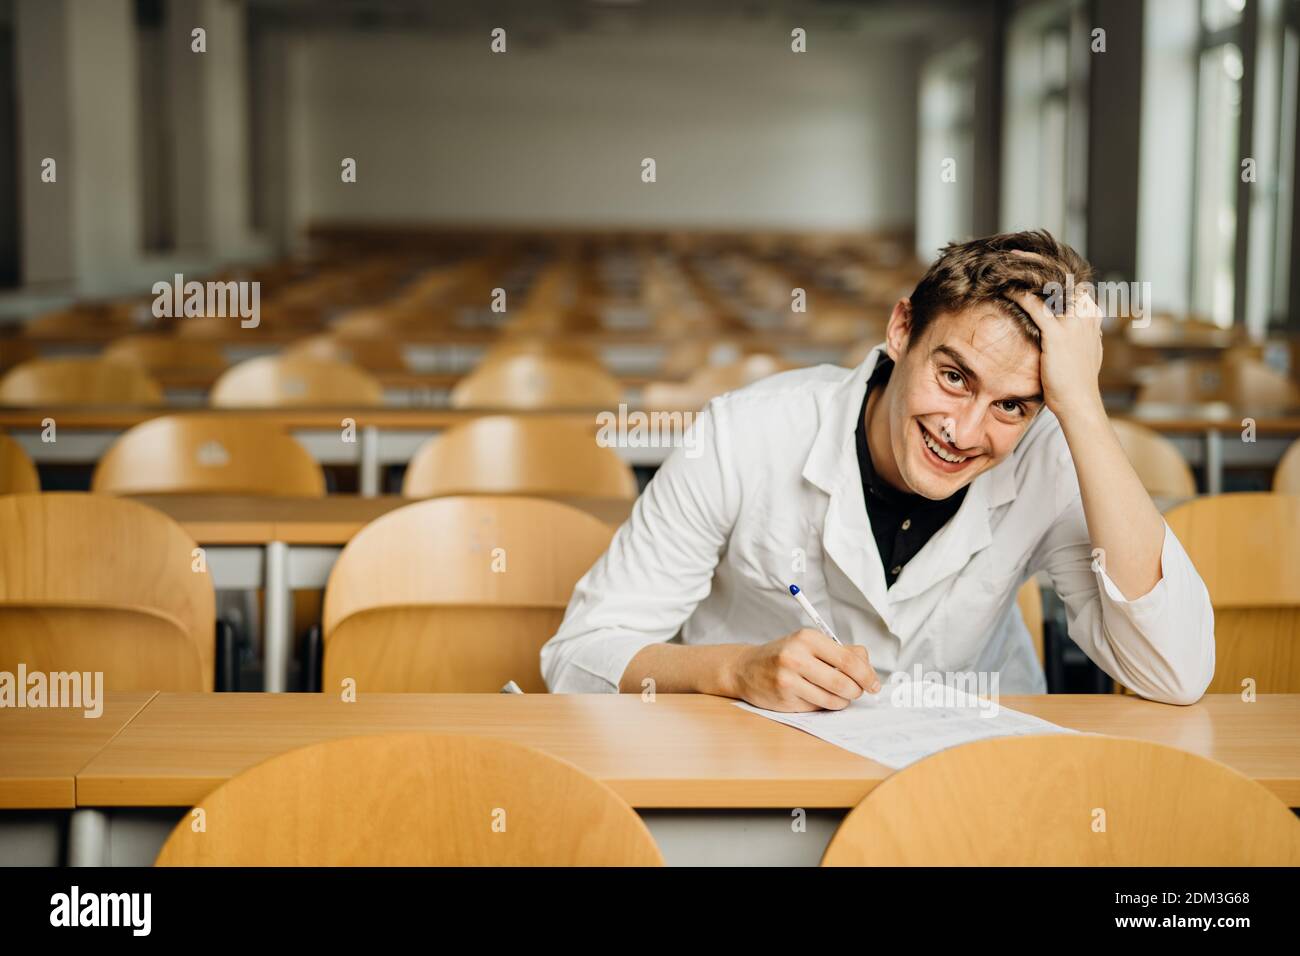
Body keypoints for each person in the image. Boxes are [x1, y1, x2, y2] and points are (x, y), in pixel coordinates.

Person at [541, 230, 1215, 711]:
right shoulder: (741, 432)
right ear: (901, 329)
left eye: (1012, 405)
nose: (965, 431)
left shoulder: (1052, 454)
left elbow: (1175, 672)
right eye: (953, 377)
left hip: (965, 786)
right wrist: (737, 670)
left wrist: (1084, 410)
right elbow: (577, 657)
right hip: (750, 768)